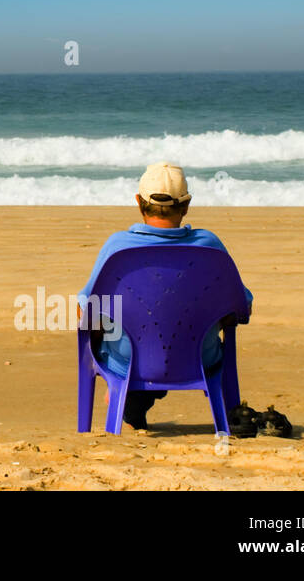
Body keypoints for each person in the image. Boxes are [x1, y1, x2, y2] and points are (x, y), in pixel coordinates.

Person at [78, 162, 252, 430]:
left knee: (110, 324)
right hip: (199, 358)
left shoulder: (118, 247)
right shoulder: (209, 247)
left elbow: (86, 313)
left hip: (129, 361)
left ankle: (130, 395)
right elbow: (241, 310)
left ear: (139, 202)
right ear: (186, 205)